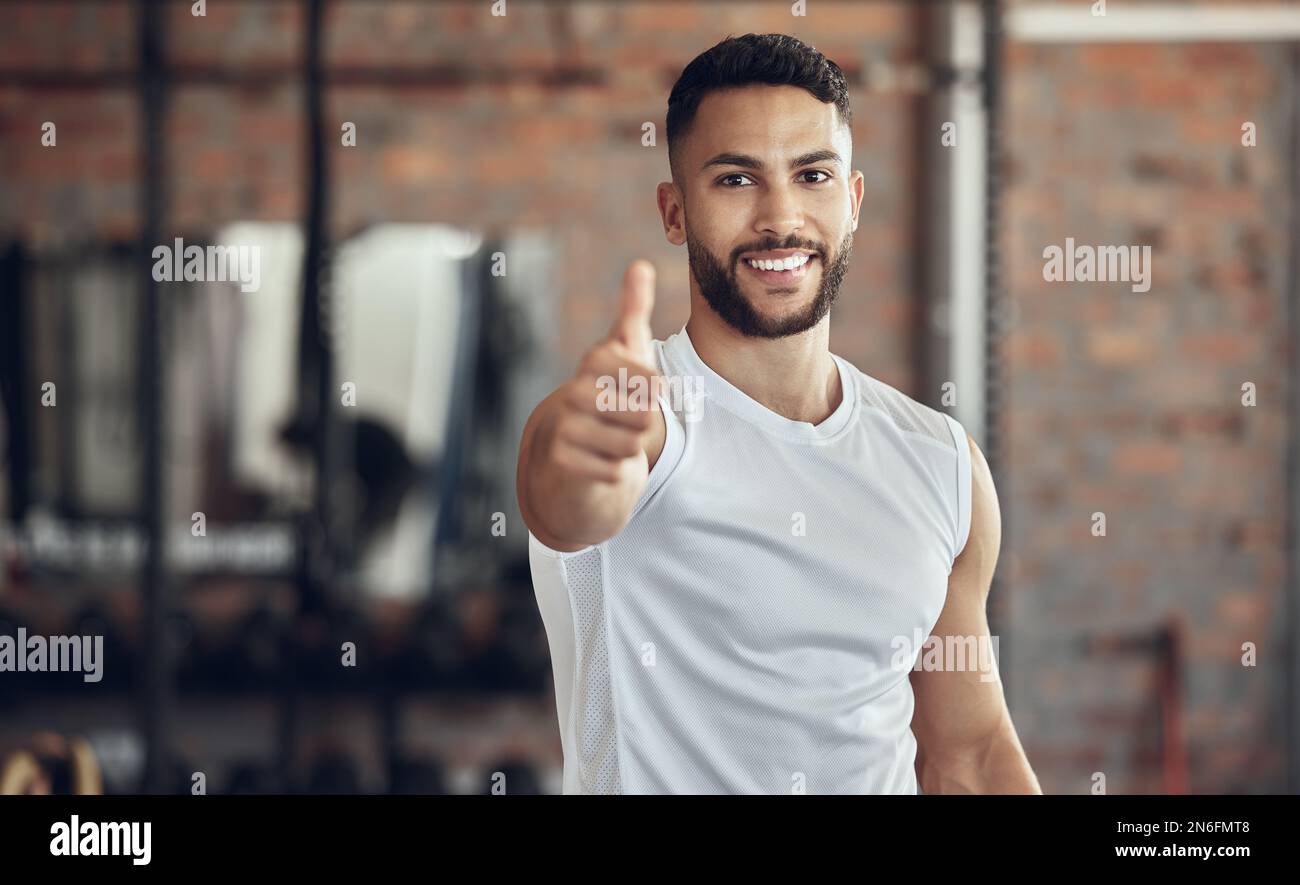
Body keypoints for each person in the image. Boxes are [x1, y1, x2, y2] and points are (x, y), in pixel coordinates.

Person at [516, 33, 1040, 795]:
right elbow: (566, 500)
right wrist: (584, 449)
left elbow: (970, 753)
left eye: (812, 175)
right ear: (674, 210)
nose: (781, 217)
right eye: (735, 180)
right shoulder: (642, 423)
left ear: (852, 201)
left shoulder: (941, 463)